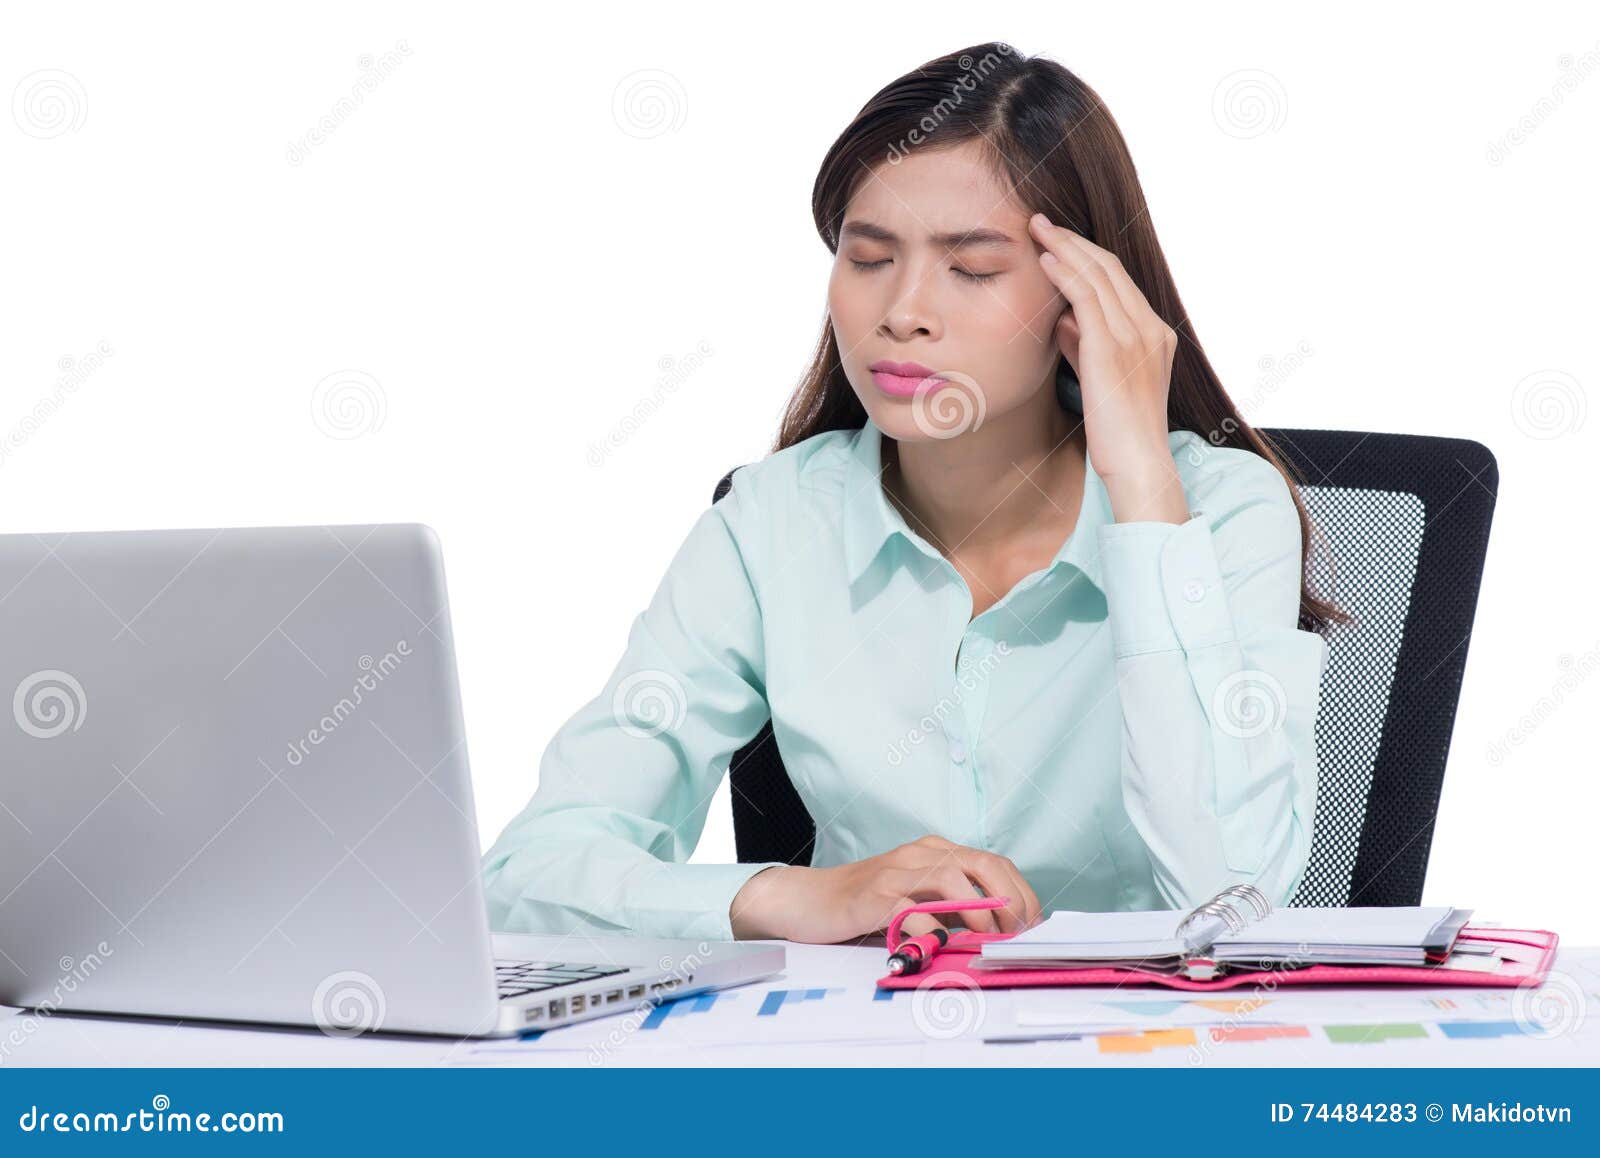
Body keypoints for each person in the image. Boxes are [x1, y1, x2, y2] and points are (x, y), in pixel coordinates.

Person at [481, 41, 1344, 947]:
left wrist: (1139, 480)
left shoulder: (1218, 510)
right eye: (868, 258)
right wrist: (797, 897)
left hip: (1144, 1028)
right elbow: (529, 874)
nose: (902, 312)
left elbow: (1232, 897)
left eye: (971, 269)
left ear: (1087, 295)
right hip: (868, 1024)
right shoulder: (774, 522)